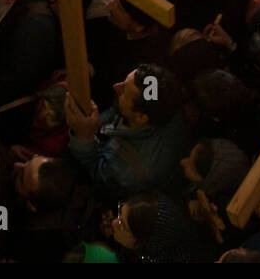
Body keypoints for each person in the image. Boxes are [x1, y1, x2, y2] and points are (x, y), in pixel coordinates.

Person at [65, 64, 191, 197]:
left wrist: (84, 136)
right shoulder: (161, 102)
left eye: (124, 91)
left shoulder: (128, 173)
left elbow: (96, 172)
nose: (116, 86)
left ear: (141, 117)